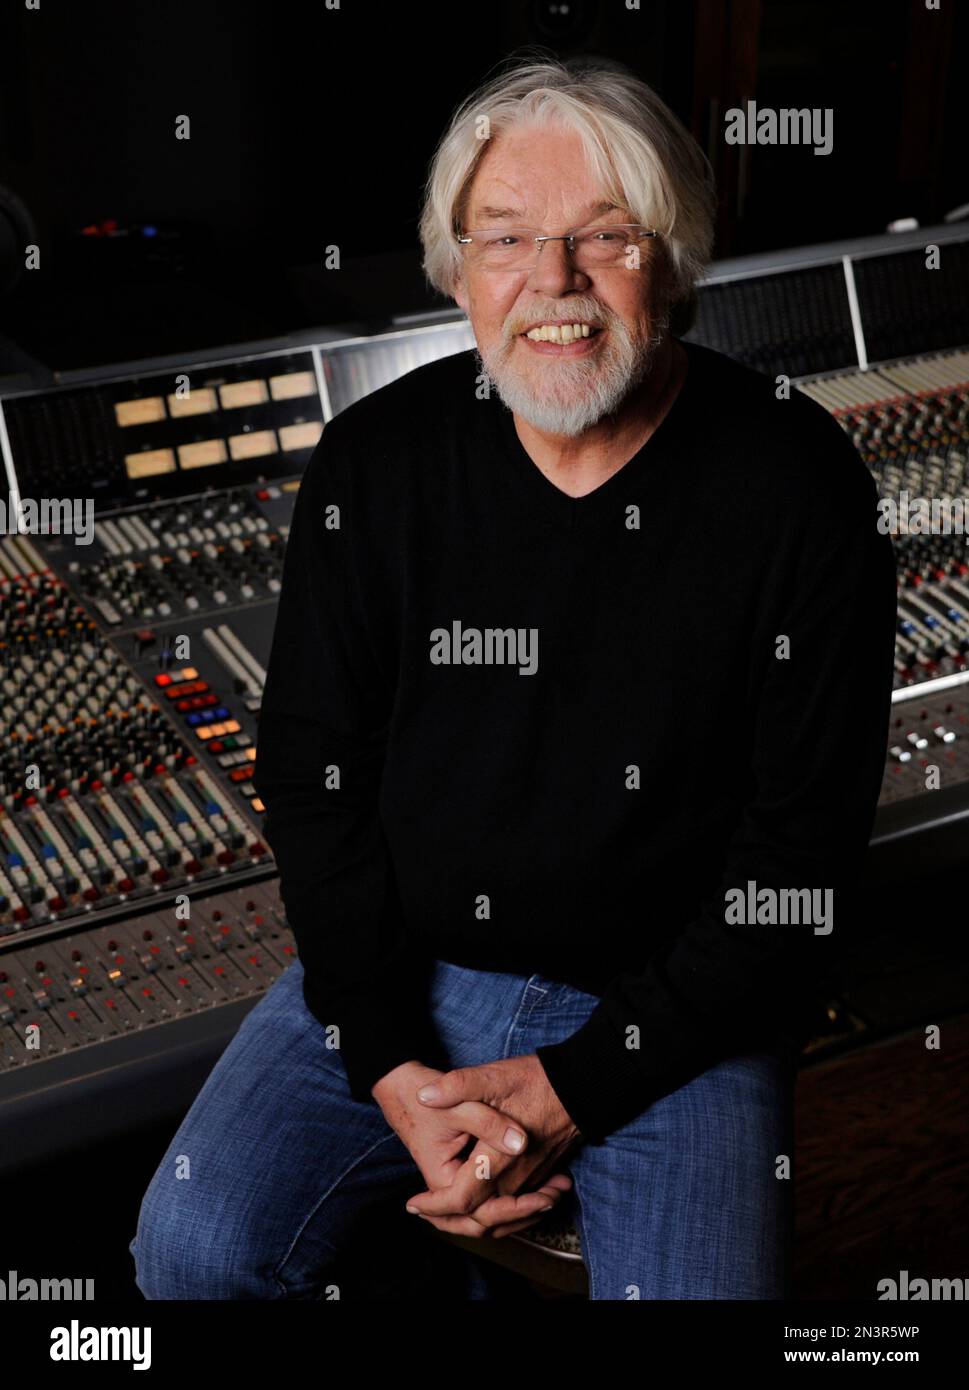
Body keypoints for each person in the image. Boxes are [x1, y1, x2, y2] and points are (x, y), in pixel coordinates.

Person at [129, 53, 898, 1300]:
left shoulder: (801, 483)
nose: (555, 282)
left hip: (678, 1011)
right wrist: (384, 1055)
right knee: (192, 1251)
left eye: (607, 235)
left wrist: (580, 1085)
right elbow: (316, 785)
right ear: (456, 267)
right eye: (507, 239)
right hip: (407, 979)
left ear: (676, 256)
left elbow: (797, 864)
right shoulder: (375, 462)